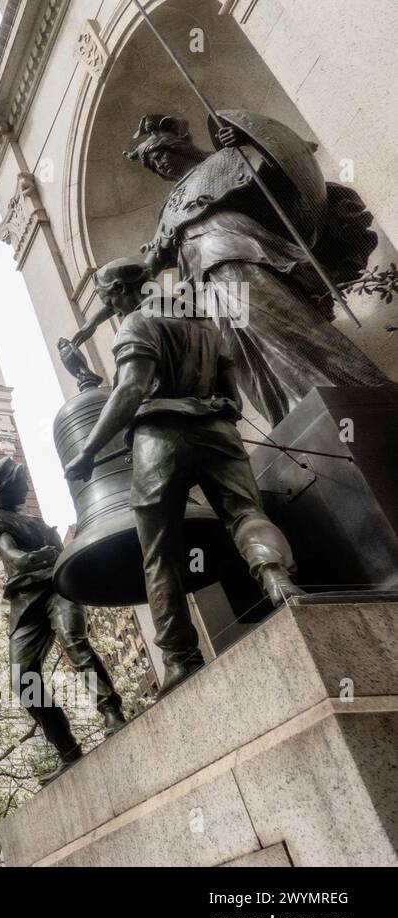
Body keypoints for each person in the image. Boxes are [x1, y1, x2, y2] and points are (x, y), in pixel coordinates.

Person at [64, 258, 302, 695]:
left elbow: (131, 389)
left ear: (122, 290)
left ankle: (179, 658)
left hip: (160, 439)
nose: (109, 305)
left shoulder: (137, 323)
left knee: (160, 552)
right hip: (217, 435)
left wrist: (88, 452)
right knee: (246, 513)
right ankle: (276, 578)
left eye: (107, 296)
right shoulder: (204, 325)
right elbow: (233, 402)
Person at [113, 111, 391, 427]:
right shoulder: (169, 209)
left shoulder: (228, 159)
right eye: (152, 163)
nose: (159, 163)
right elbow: (147, 268)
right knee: (239, 351)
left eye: (161, 152)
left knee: (279, 324)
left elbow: (284, 180)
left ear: (180, 144)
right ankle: (290, 416)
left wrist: (248, 144)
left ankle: (357, 389)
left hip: (233, 252)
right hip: (202, 279)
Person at [0, 456, 127, 784]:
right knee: (23, 681)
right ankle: (67, 750)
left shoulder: (34, 519)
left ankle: (112, 714)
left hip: (59, 589)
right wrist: (29, 559)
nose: (26, 489)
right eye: (21, 485)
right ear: (6, 487)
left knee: (75, 643)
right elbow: (11, 556)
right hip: (27, 603)